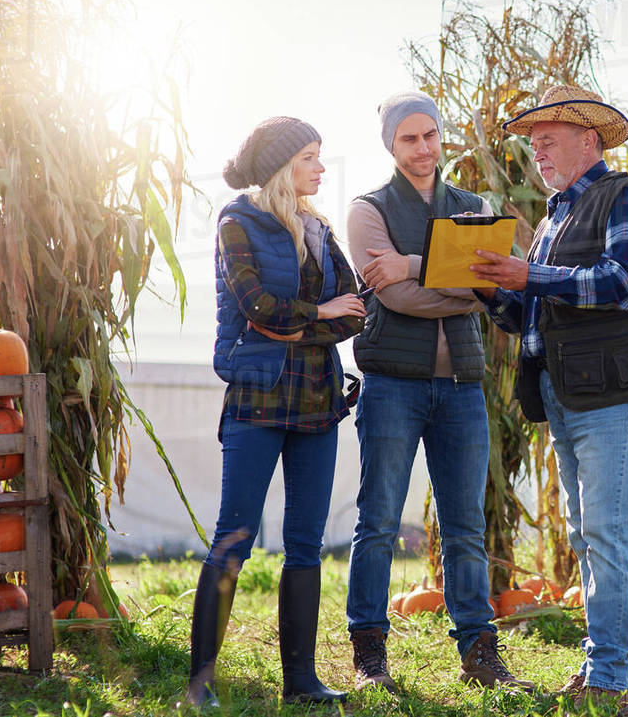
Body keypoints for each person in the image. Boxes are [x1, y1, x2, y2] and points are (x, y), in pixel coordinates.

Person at [469, 85, 628, 715]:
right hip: (567, 395)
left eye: (548, 140)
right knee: (589, 534)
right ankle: (600, 665)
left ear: (588, 139)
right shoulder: (552, 219)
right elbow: (532, 317)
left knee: (610, 536)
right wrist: (488, 288)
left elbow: (622, 284)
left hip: (615, 395)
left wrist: (527, 274)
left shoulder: (623, 198)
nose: (536, 151)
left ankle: (613, 682)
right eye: (532, 143)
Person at [343, 91, 531, 693]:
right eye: (409, 138)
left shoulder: (474, 208)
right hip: (393, 385)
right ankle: (370, 655)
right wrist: (453, 279)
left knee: (464, 526)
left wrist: (414, 266)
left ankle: (479, 654)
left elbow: (490, 289)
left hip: (461, 389)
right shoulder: (367, 211)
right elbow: (394, 299)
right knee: (378, 521)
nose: (423, 148)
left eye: (430, 135)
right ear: (391, 145)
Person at [185, 116, 366, 707]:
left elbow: (354, 310)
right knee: (234, 536)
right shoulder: (237, 222)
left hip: (317, 396)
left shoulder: (319, 228)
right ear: (282, 167)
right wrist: (315, 315)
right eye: (310, 156)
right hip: (257, 396)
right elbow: (256, 305)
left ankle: (302, 681)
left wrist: (304, 321)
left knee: (306, 542)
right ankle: (201, 683)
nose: (320, 167)